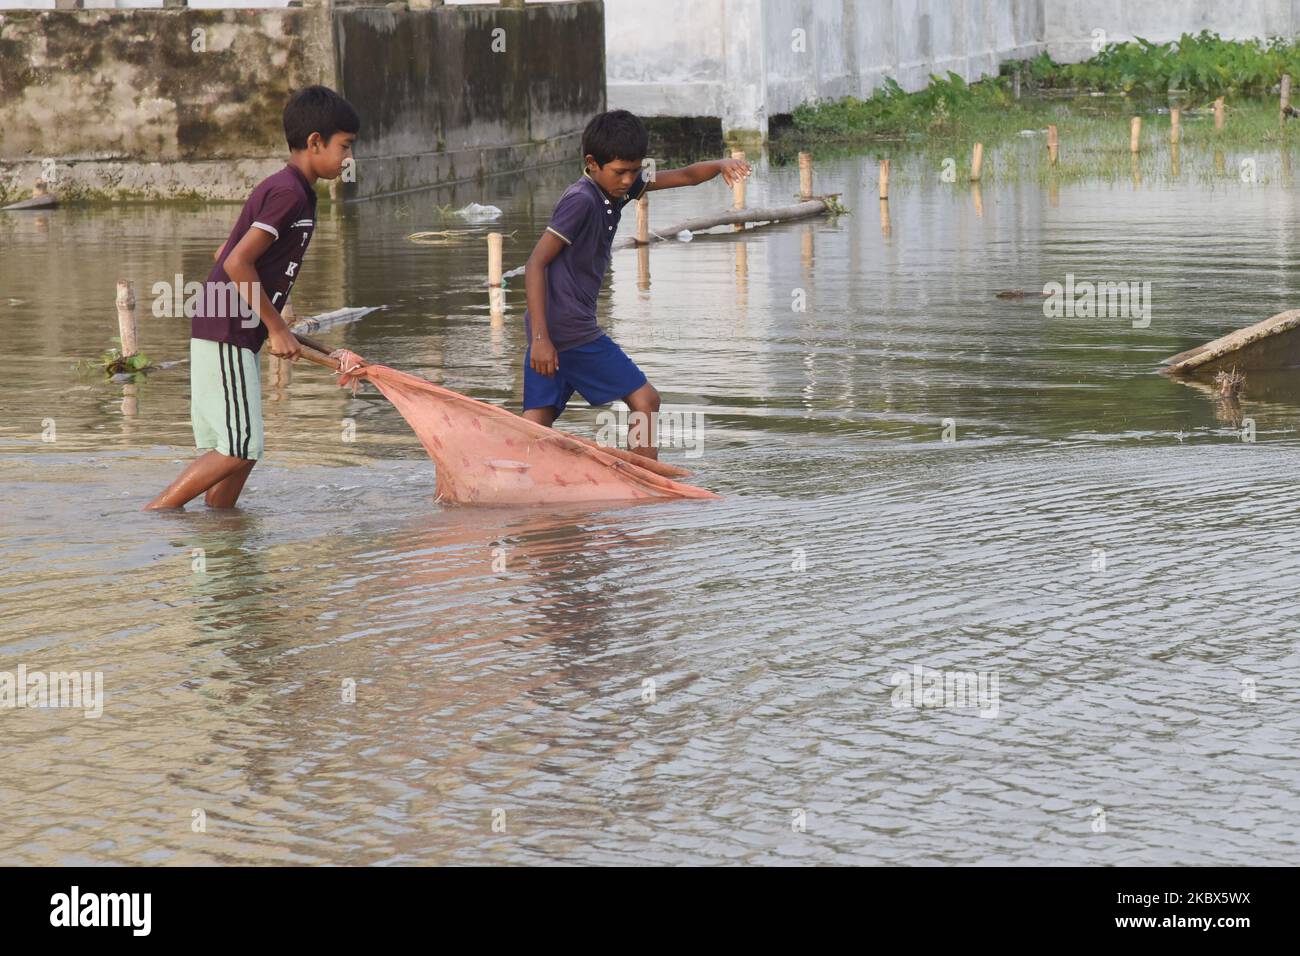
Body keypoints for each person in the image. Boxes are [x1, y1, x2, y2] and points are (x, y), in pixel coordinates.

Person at [146, 86, 358, 510]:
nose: (349, 158)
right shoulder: (289, 193)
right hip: (226, 330)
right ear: (315, 142)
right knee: (240, 448)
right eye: (345, 146)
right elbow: (236, 262)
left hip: (234, 331)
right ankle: (156, 515)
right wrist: (277, 328)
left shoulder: (294, 191)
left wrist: (327, 351)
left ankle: (222, 527)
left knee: (240, 450)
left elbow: (222, 253)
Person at [522, 109, 750, 459]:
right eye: (620, 172)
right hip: (567, 326)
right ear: (592, 163)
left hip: (554, 325)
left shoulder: (616, 190)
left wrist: (720, 164)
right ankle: (644, 480)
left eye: (635, 170)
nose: (629, 180)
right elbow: (536, 262)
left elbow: (686, 176)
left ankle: (508, 475)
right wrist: (541, 338)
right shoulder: (581, 200)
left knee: (539, 418)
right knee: (645, 400)